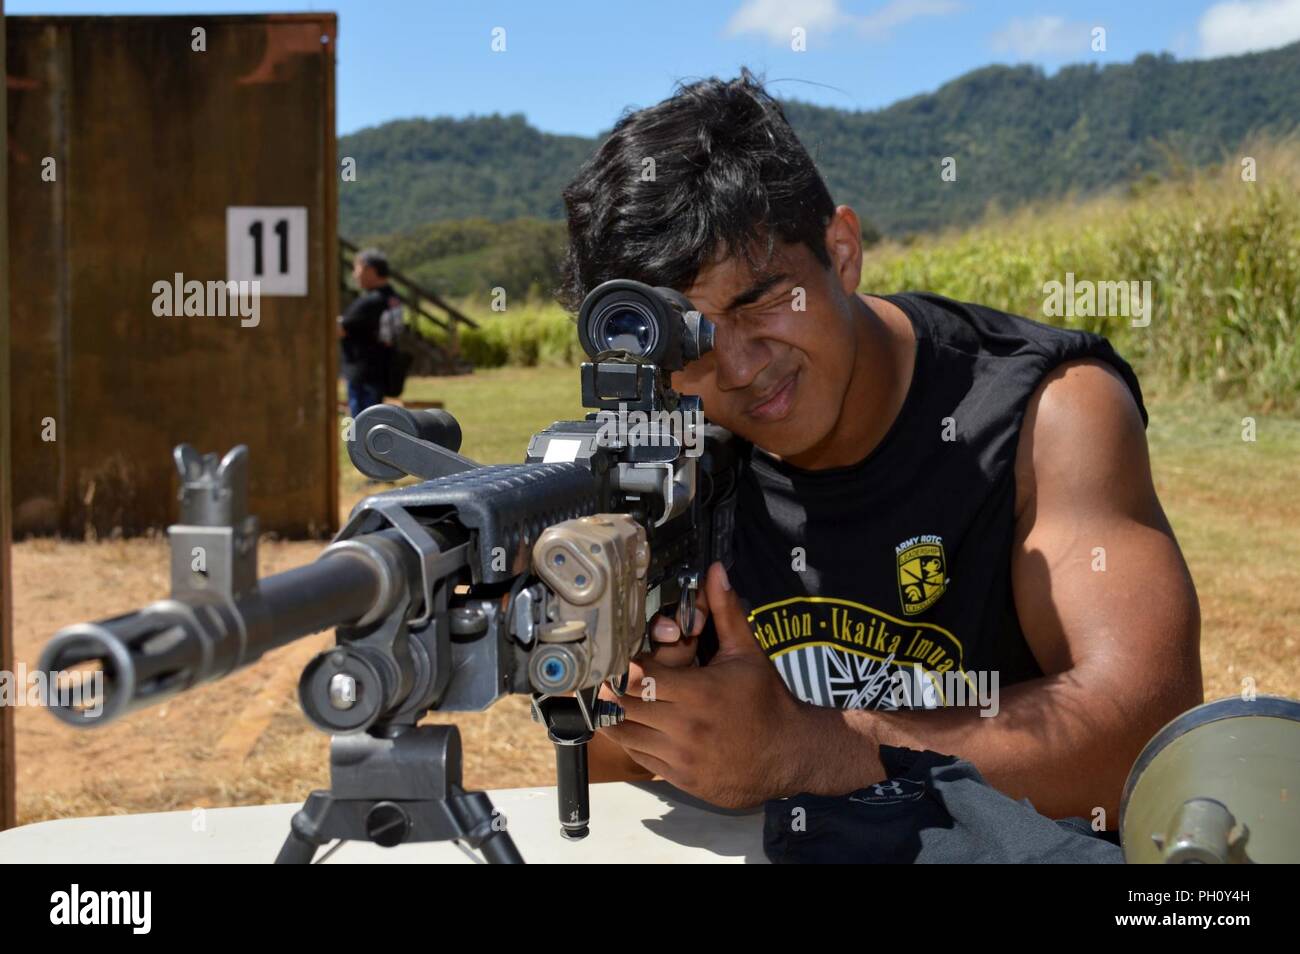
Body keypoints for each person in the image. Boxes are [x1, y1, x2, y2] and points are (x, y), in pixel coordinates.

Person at [561, 70, 1202, 825]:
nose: (738, 368)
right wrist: (660, 698)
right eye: (691, 342)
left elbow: (1146, 732)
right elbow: (598, 764)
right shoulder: (671, 451)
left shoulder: (1049, 413)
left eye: (763, 299)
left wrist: (811, 750)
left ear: (842, 250)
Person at [339, 248, 399, 419]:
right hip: (382, 369)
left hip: (363, 374)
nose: (354, 275)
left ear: (370, 270)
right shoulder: (392, 298)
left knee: (362, 427)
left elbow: (341, 328)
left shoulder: (370, 302)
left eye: (356, 269)